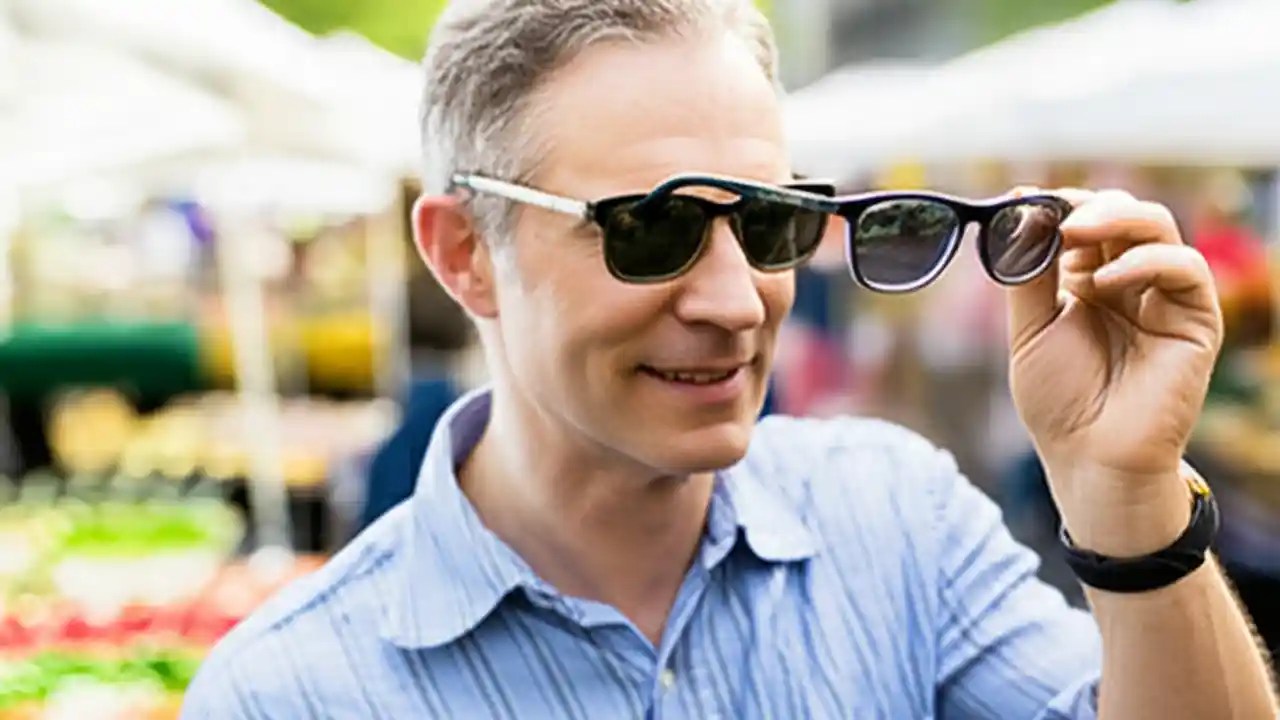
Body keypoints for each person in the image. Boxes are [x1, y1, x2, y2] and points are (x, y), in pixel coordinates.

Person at [182, 1, 1278, 717]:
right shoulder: (289, 694)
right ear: (466, 253)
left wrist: (1122, 490)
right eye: (650, 228)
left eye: (769, 222)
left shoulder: (896, 521)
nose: (735, 301)